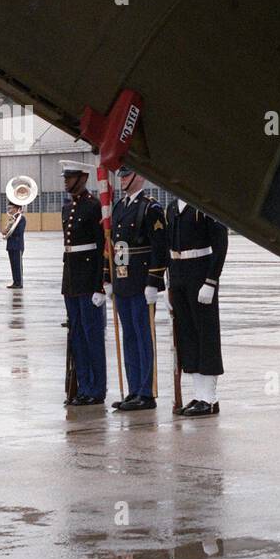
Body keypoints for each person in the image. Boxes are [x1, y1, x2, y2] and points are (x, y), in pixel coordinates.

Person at [109, 166, 168, 411]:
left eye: (126, 175)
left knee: (144, 336)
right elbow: (115, 243)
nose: (122, 180)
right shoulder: (120, 206)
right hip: (124, 280)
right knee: (129, 336)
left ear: (140, 176)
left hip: (142, 281)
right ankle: (133, 389)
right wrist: (111, 277)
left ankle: (147, 392)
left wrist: (153, 281)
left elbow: (160, 247)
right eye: (120, 176)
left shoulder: (150, 207)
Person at [167, 198, 229, 416]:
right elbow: (170, 248)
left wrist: (211, 281)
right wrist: (171, 287)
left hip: (201, 273)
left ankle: (210, 398)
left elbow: (220, 245)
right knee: (188, 336)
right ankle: (198, 395)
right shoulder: (173, 208)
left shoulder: (205, 205)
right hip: (180, 274)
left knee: (206, 334)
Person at [59, 161, 106, 407]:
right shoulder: (67, 208)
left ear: (83, 178)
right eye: (65, 177)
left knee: (92, 336)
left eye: (70, 177)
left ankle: (96, 389)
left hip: (89, 279)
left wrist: (101, 284)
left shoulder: (94, 207)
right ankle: (83, 386)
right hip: (72, 280)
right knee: (77, 336)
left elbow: (101, 249)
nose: (66, 181)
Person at [4, 203, 26, 289]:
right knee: (13, 265)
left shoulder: (21, 218)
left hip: (17, 244)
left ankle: (19, 283)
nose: (9, 209)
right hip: (10, 245)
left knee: (18, 265)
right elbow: (8, 229)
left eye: (11, 208)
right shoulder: (12, 218)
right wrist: (5, 231)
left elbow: (19, 231)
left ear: (16, 208)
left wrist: (9, 231)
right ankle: (15, 282)